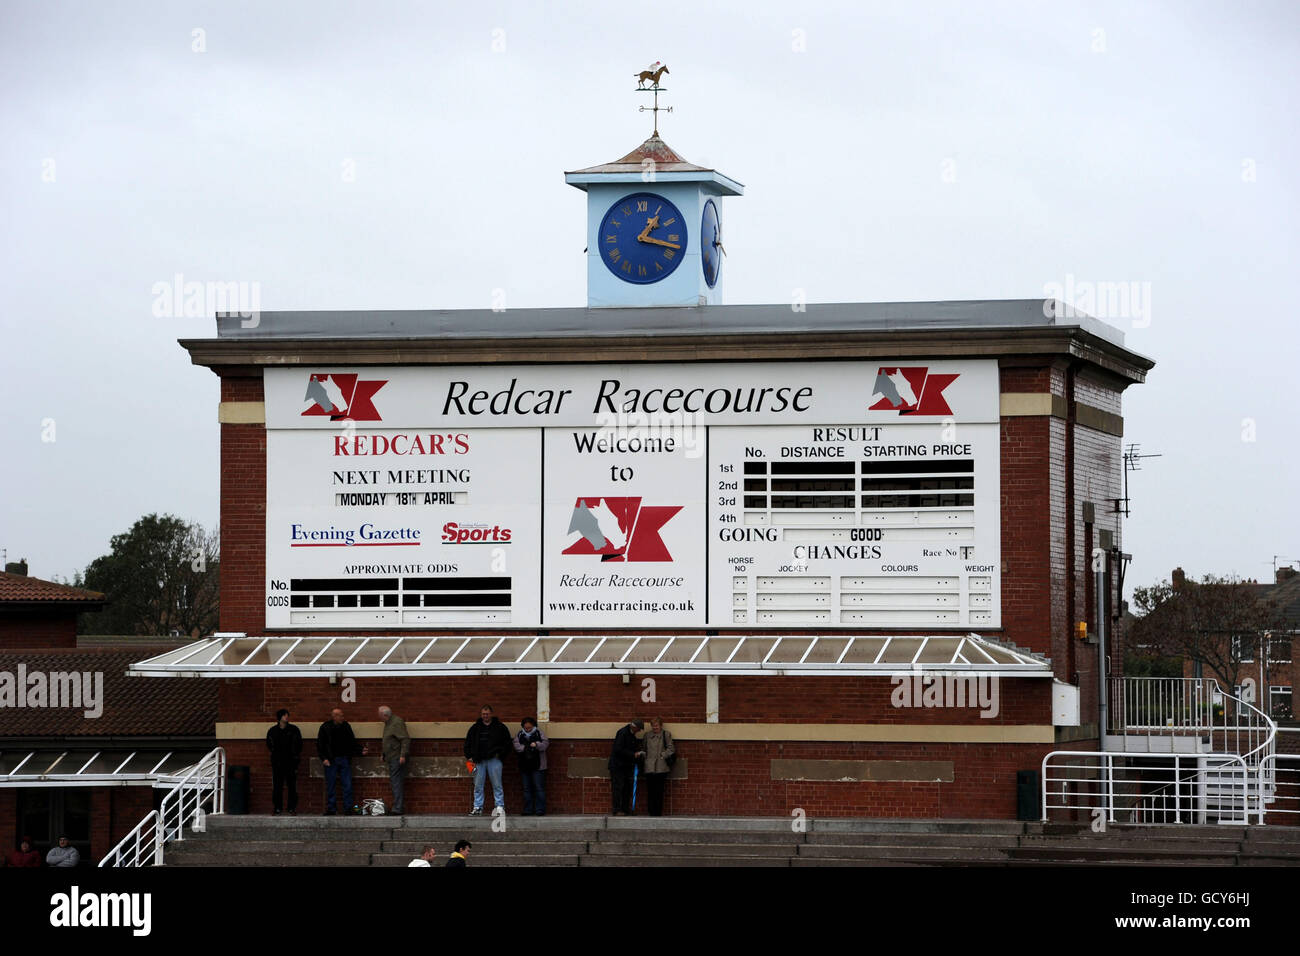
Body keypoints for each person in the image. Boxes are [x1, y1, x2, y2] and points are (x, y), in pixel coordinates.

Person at [317, 708, 368, 815]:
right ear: (334, 716)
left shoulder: (346, 726)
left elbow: (351, 742)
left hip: (344, 758)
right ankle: (331, 808)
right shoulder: (325, 727)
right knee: (331, 785)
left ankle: (348, 808)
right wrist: (324, 758)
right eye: (340, 715)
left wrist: (360, 750)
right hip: (331, 760)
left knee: (347, 785)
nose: (343, 717)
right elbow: (320, 744)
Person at [463, 704, 512, 816]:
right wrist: (469, 756)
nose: (485, 716)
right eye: (483, 714)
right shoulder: (475, 728)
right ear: (481, 715)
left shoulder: (500, 727)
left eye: (487, 714)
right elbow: (467, 743)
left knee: (497, 784)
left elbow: (507, 744)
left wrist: (500, 755)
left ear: (491, 714)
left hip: (494, 760)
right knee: (478, 785)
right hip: (478, 760)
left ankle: (499, 807)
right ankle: (477, 807)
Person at [266, 708, 303, 815]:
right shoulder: (273, 731)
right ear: (279, 717)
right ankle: (277, 807)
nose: (286, 717)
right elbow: (269, 744)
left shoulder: (294, 730)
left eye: (287, 715)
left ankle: (291, 808)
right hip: (277, 763)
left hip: (291, 762)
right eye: (284, 715)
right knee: (277, 786)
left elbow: (299, 744)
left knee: (292, 786)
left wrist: (295, 757)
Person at [512, 716, 549, 816]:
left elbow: (545, 744)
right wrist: (526, 747)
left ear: (533, 726)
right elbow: (516, 745)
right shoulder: (519, 734)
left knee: (539, 788)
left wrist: (536, 745)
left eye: (529, 728)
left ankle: (540, 809)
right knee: (527, 789)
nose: (527, 729)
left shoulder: (539, 733)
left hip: (538, 766)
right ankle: (528, 809)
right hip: (524, 765)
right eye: (526, 728)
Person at [378, 705, 411, 815]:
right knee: (395, 782)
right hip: (392, 756)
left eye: (380, 716)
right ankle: (397, 807)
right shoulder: (388, 723)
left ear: (385, 715)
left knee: (396, 782)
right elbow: (389, 740)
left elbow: (405, 739)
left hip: (397, 757)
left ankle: (398, 808)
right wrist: (384, 754)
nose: (379, 718)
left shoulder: (396, 722)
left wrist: (402, 755)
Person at [608, 719, 645, 816]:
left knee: (626, 789)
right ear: (634, 727)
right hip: (617, 766)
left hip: (625, 766)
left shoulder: (631, 735)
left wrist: (637, 754)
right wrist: (633, 754)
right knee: (618, 788)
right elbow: (618, 749)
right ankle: (617, 810)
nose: (639, 731)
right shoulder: (623, 733)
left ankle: (625, 809)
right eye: (639, 729)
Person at [640, 717, 676, 817]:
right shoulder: (647, 735)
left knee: (659, 791)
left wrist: (662, 755)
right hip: (649, 766)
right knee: (650, 791)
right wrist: (644, 756)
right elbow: (643, 748)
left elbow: (671, 748)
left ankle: (657, 812)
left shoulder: (666, 734)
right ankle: (651, 812)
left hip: (661, 767)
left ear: (661, 725)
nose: (655, 728)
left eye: (657, 726)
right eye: (653, 726)